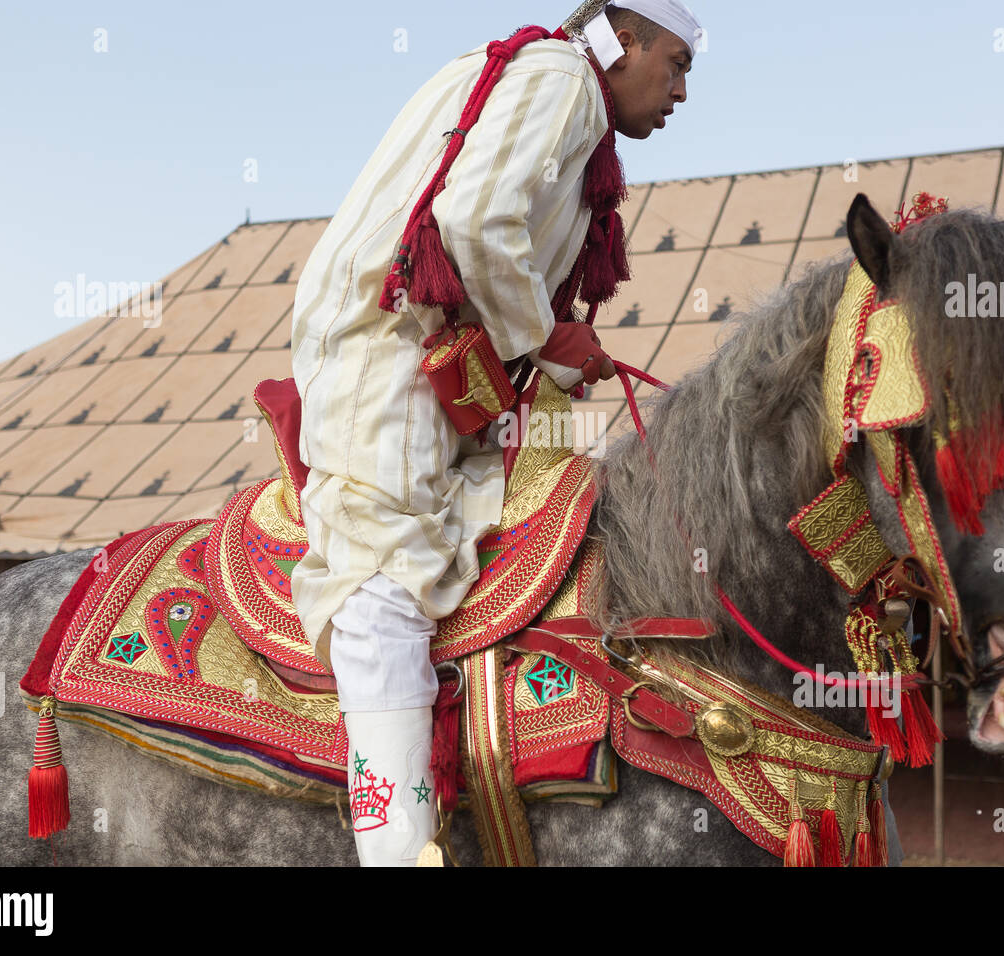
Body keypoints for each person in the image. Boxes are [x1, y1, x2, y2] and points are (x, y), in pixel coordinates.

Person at [289, 0, 701, 865]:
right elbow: (473, 221)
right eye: (676, 63)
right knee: (384, 575)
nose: (681, 90)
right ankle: (398, 851)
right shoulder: (558, 78)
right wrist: (547, 336)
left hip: (441, 360)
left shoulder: (565, 99)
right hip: (389, 354)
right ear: (621, 43)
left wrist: (544, 351)